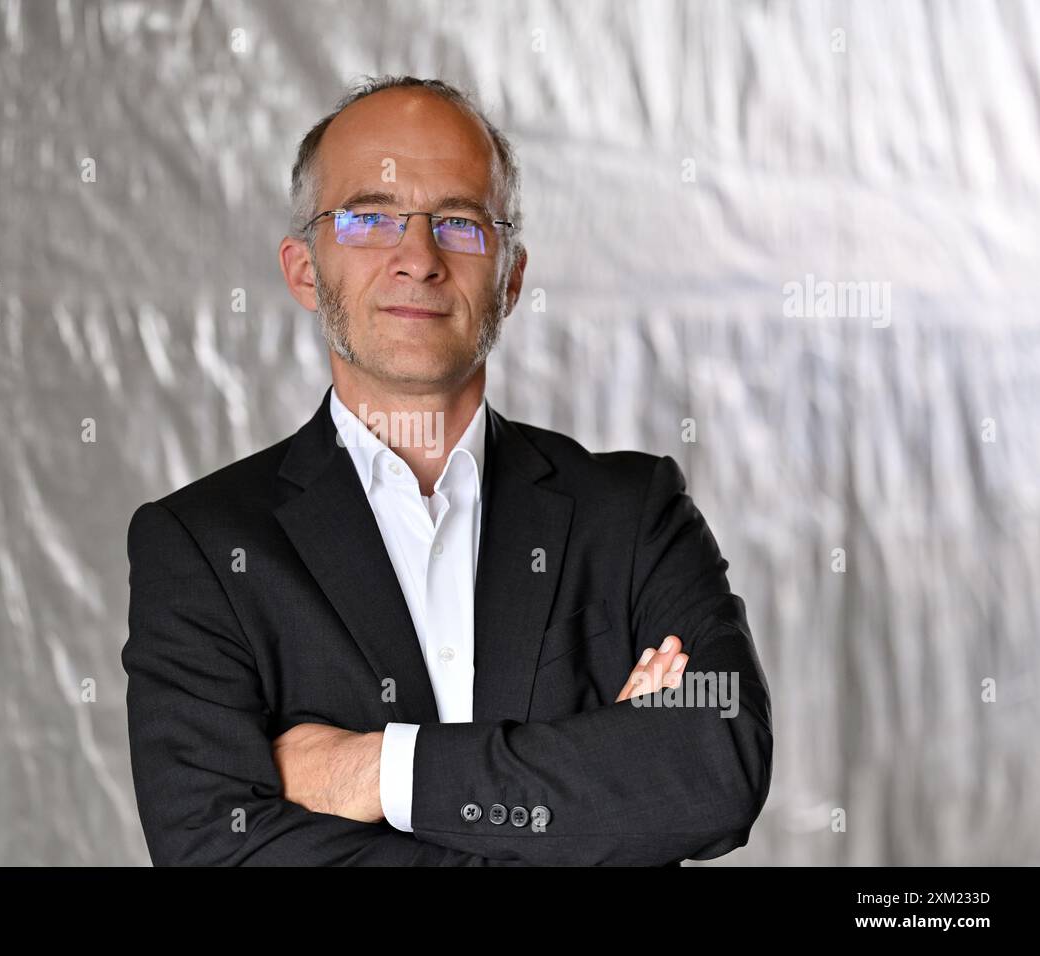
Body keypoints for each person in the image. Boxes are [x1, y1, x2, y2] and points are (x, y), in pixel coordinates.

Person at [123, 75, 772, 865]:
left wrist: (378, 770)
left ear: (512, 276)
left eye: (459, 223)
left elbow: (716, 762)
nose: (417, 258)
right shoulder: (203, 545)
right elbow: (213, 850)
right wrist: (600, 790)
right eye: (369, 218)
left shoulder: (631, 514)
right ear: (303, 269)